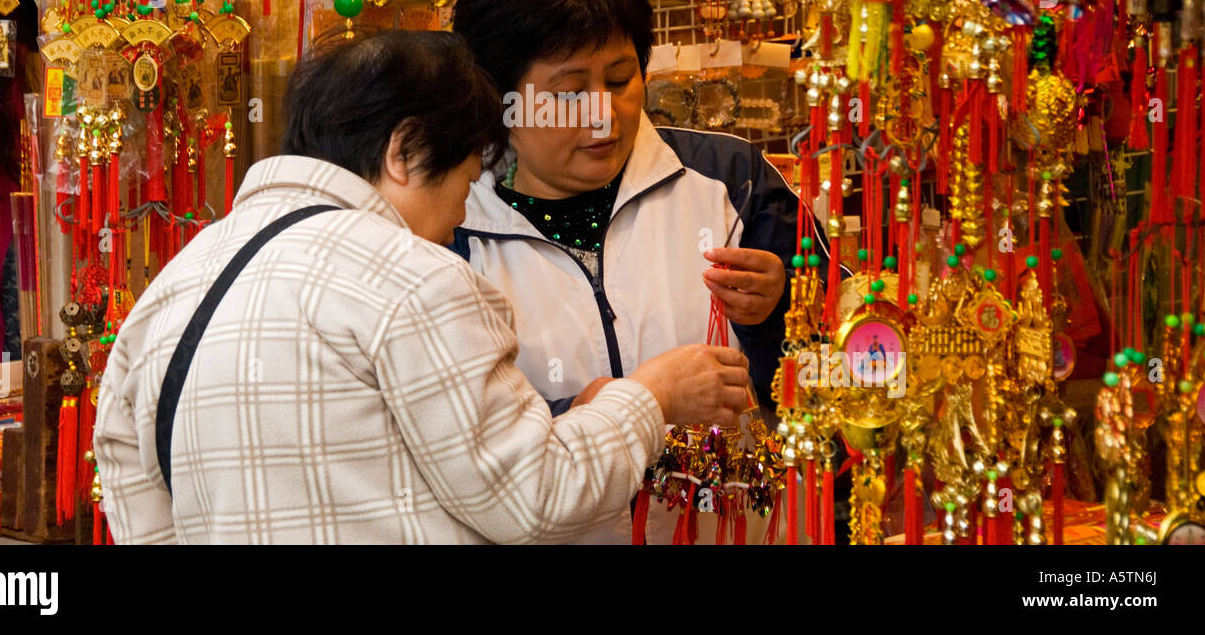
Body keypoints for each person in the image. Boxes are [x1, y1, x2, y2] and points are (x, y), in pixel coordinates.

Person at [94, 29, 751, 544]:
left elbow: (137, 504)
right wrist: (652, 394)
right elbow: (536, 494)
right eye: (466, 183)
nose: (462, 216)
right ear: (403, 153)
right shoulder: (414, 278)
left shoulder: (172, 289)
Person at [450, 0, 833, 544]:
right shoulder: (450, 230)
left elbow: (844, 376)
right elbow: (448, 445)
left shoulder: (734, 182)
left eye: (622, 80)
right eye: (569, 92)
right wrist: (598, 409)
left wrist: (780, 310)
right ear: (500, 99)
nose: (604, 113)